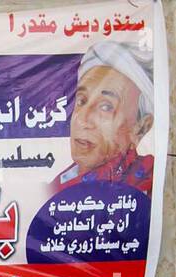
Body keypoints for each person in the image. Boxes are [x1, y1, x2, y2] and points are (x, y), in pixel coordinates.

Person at [51, 40, 155, 195]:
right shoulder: (55, 189)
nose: (82, 120)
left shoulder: (148, 184)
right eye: (81, 101)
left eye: (106, 107)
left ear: (140, 128)